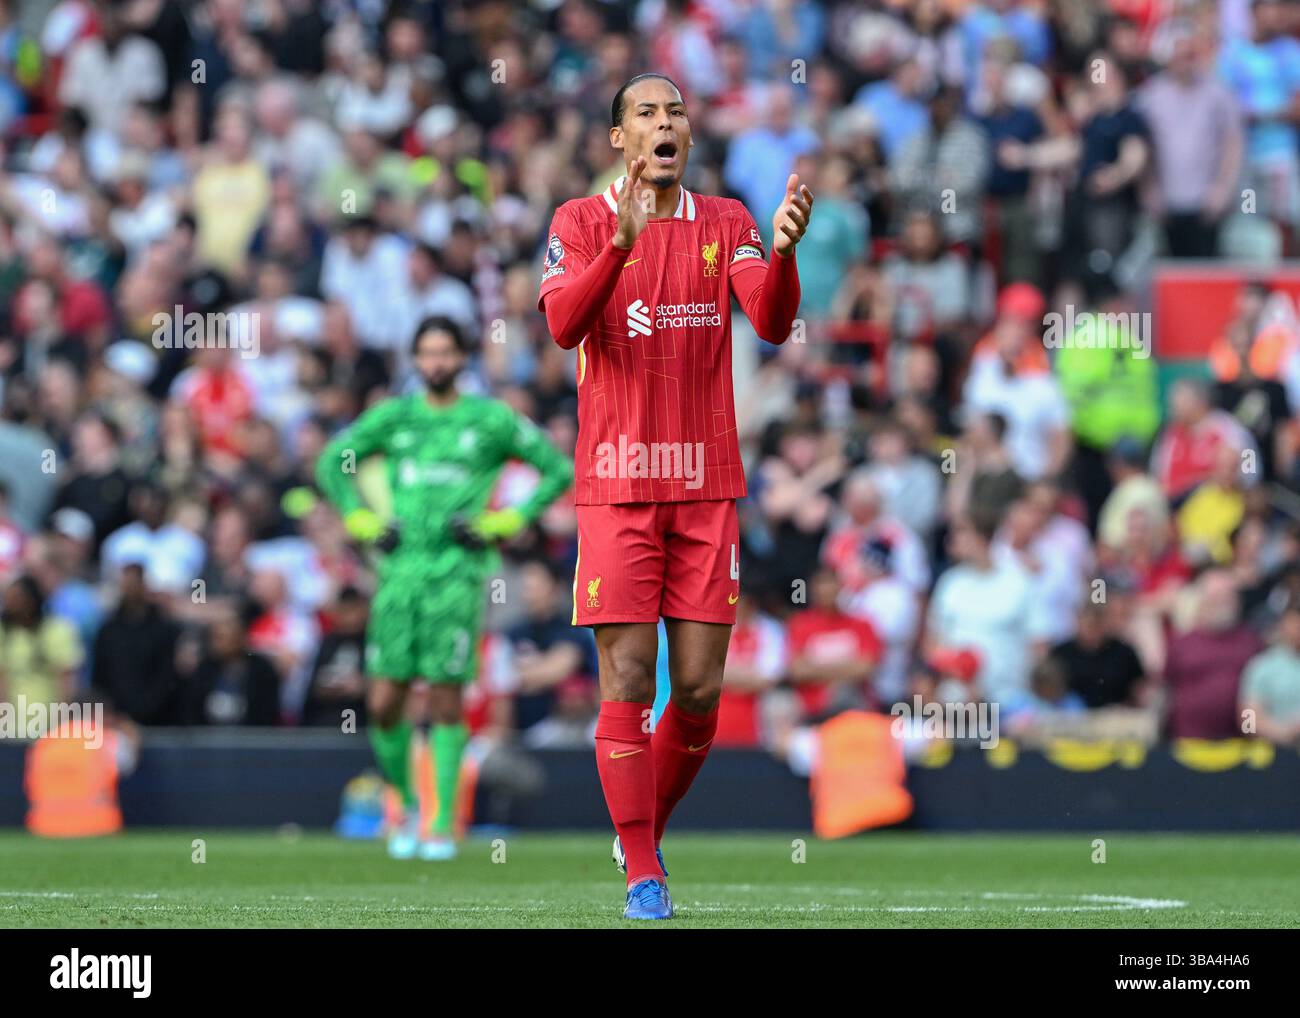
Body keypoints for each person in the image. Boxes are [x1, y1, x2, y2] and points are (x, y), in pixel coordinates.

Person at [537, 73, 810, 919]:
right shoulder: (578, 223)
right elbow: (561, 326)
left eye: (675, 112)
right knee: (625, 679)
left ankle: (639, 827)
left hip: (704, 484)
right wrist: (619, 244)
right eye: (646, 113)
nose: (665, 122)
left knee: (694, 691)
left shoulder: (726, 222)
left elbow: (767, 321)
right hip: (617, 485)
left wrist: (787, 253)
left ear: (688, 135)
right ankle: (643, 872)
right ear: (619, 138)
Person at [315, 315, 572, 862]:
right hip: (399, 573)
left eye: (445, 353)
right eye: (426, 353)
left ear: (462, 359)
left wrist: (502, 523)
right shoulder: (396, 417)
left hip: (457, 575)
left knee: (446, 700)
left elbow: (555, 469)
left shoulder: (489, 420)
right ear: (415, 360)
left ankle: (438, 823)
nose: (435, 362)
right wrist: (360, 522)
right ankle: (405, 802)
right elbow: (332, 462)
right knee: (384, 701)